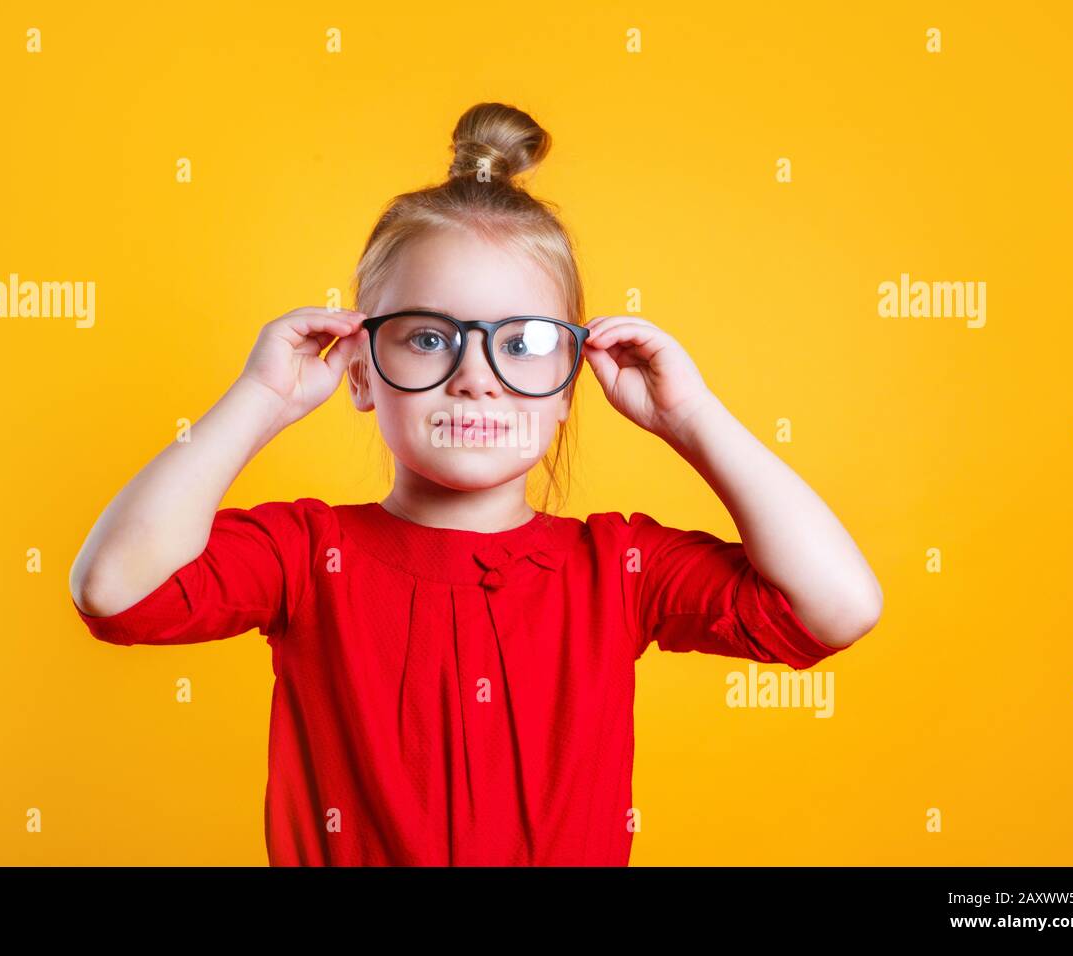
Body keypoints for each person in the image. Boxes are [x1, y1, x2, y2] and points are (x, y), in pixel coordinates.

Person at [69, 101, 883, 866]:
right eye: (429, 337)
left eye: (523, 343)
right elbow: (115, 589)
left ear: (570, 383)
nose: (476, 378)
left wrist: (694, 418)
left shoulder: (618, 567)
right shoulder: (306, 556)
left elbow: (838, 607)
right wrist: (257, 403)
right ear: (359, 370)